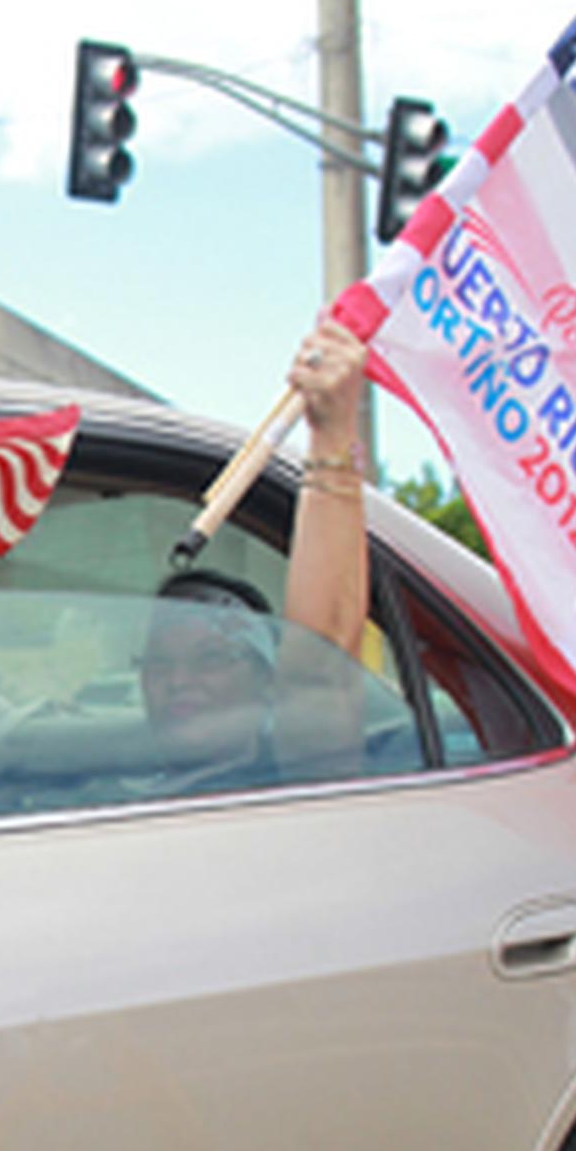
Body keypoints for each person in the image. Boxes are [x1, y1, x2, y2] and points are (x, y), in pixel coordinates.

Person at [130, 315, 375, 794]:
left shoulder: (289, 785)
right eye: (158, 663)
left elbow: (317, 677)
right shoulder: (113, 797)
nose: (179, 680)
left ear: (267, 682)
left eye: (211, 659)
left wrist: (331, 441)